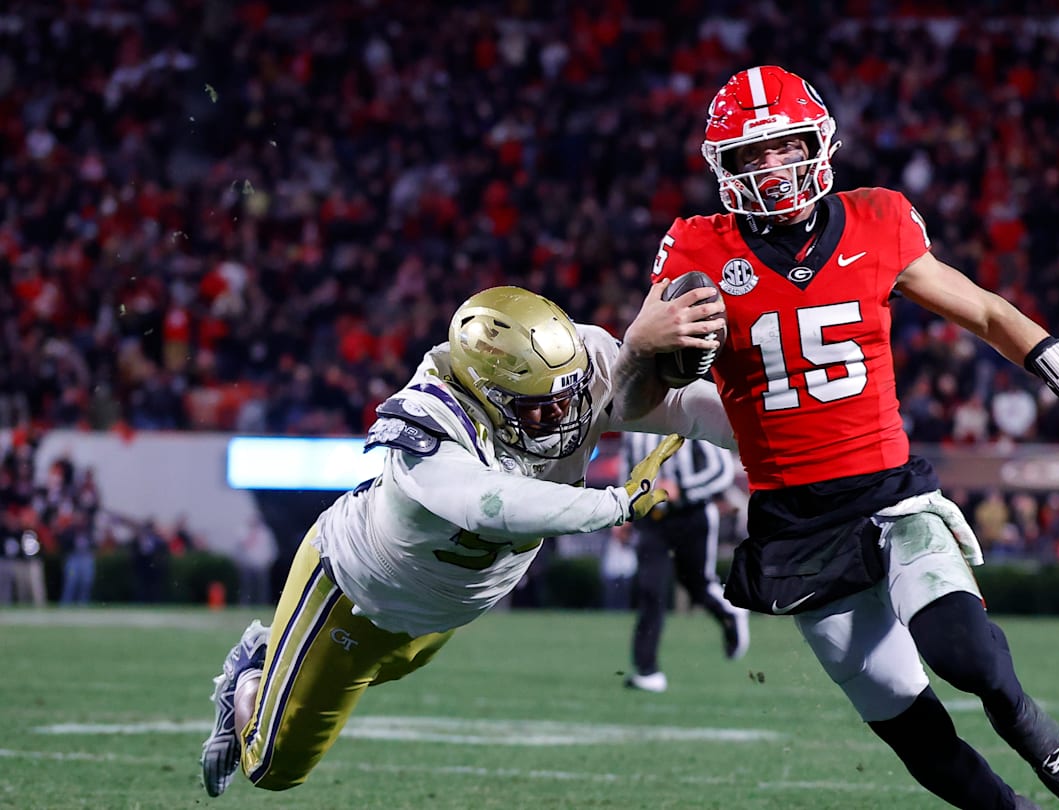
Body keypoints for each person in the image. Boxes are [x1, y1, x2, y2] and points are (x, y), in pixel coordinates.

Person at [616, 66, 1059, 810]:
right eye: (751, 155)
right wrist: (640, 342)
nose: (772, 167)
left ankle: (1027, 720)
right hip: (794, 526)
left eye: (785, 145)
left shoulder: (878, 219)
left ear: (819, 141)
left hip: (890, 493)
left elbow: (989, 314)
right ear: (724, 169)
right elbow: (635, 402)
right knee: (911, 729)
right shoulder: (696, 249)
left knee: (964, 654)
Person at [198, 285, 733, 797]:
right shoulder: (429, 421)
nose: (561, 414)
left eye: (567, 396)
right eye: (536, 406)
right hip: (354, 598)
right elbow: (491, 505)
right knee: (272, 768)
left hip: (441, 614)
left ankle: (274, 657)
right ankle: (248, 678)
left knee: (351, 680)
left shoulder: (574, 365)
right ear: (488, 394)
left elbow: (680, 404)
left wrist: (785, 439)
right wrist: (616, 503)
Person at [618, 433, 748, 693]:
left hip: (692, 514)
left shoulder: (688, 414)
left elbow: (720, 471)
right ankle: (647, 671)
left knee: (697, 585)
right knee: (649, 588)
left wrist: (681, 486)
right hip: (652, 518)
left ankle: (729, 612)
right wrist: (622, 510)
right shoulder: (633, 424)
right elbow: (627, 466)